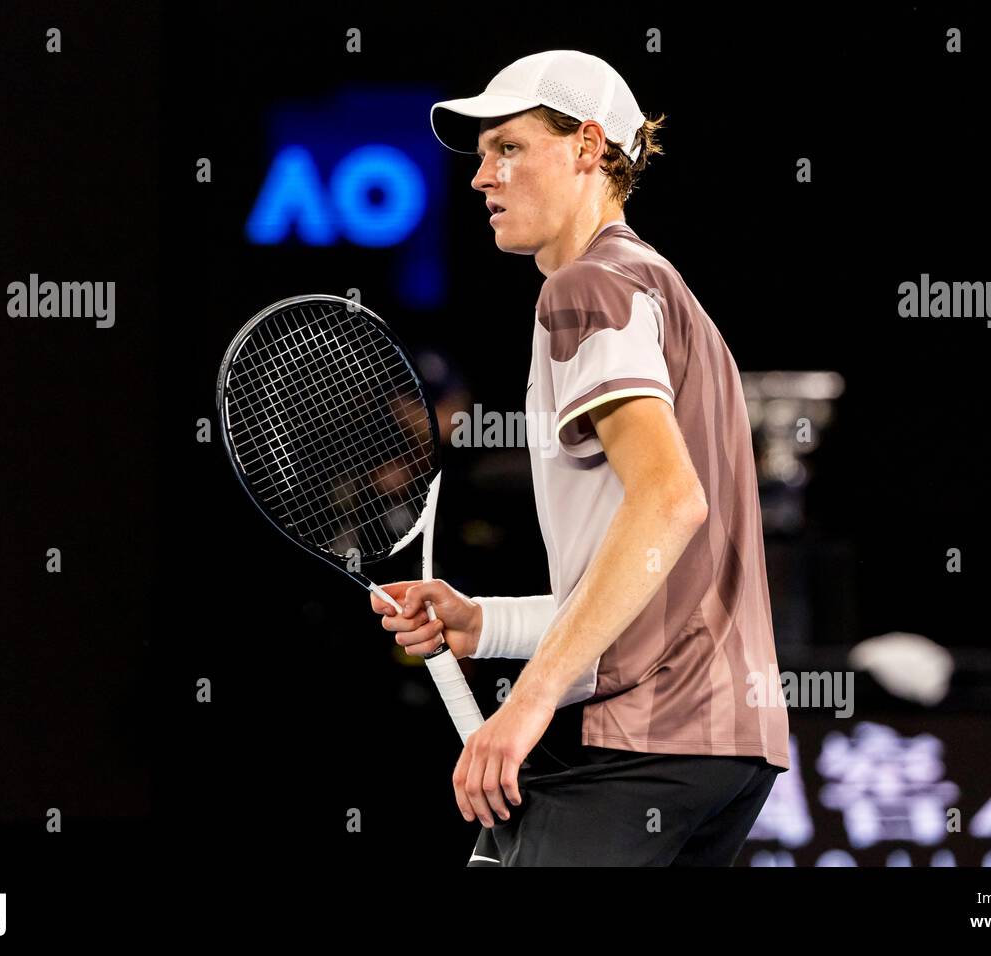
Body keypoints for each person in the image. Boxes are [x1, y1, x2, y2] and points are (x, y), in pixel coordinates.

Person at [372, 50, 790, 866]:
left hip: (643, 740)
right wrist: (486, 624)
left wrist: (524, 708)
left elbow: (670, 503)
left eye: (509, 148)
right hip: (729, 745)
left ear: (587, 147)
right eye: (483, 154)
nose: (480, 177)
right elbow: (657, 576)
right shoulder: (661, 287)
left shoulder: (585, 288)